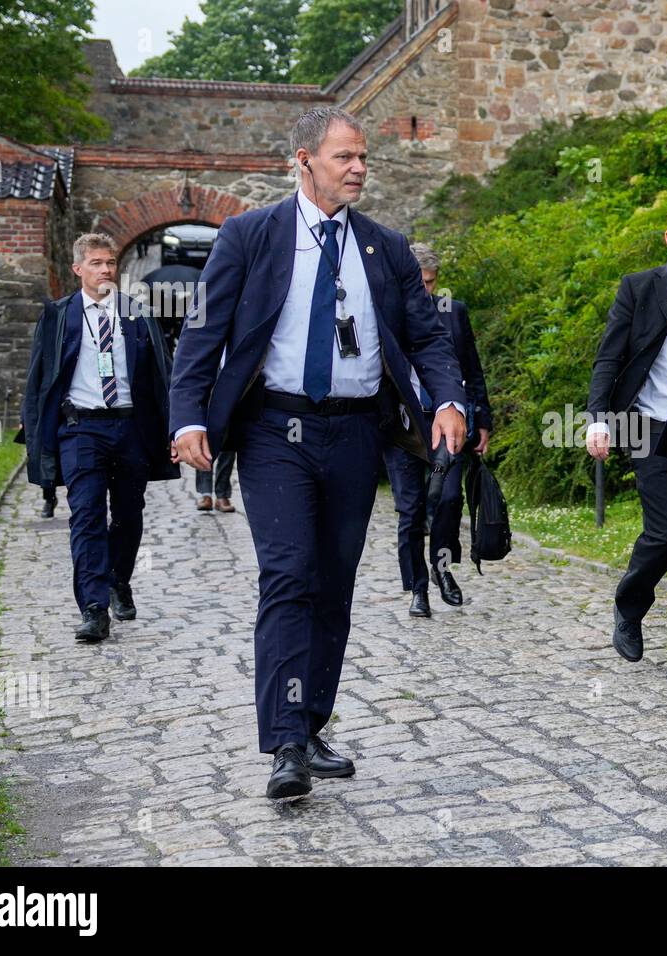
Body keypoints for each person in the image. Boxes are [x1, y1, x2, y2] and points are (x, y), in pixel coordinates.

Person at [169, 106, 466, 800]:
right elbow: (203, 332)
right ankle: (285, 742)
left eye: (363, 157)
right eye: (344, 157)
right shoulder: (251, 236)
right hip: (278, 430)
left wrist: (449, 400)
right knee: (290, 574)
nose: (359, 168)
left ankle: (311, 721)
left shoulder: (385, 248)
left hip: (357, 433)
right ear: (302, 160)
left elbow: (425, 336)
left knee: (333, 583)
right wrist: (188, 417)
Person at [21, 233, 179, 642]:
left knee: (129, 515)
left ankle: (118, 580)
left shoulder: (138, 315)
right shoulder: (58, 316)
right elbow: (39, 381)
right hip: (81, 429)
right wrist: (39, 436)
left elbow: (162, 377)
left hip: (130, 427)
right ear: (78, 269)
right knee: (87, 515)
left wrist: (174, 429)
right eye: (96, 263)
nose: (106, 269)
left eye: (110, 262)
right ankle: (93, 608)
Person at [586, 204, 667, 679]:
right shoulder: (641, 287)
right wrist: (599, 419)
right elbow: (609, 358)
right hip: (646, 423)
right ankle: (630, 607)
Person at [384, 242, 493, 616]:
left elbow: (472, 371)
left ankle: (442, 569)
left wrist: (483, 422)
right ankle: (417, 587)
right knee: (410, 508)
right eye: (418, 282)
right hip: (402, 428)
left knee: (447, 498)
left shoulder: (453, 314)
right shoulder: (384, 315)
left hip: (448, 425)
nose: (424, 290)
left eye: (430, 283)